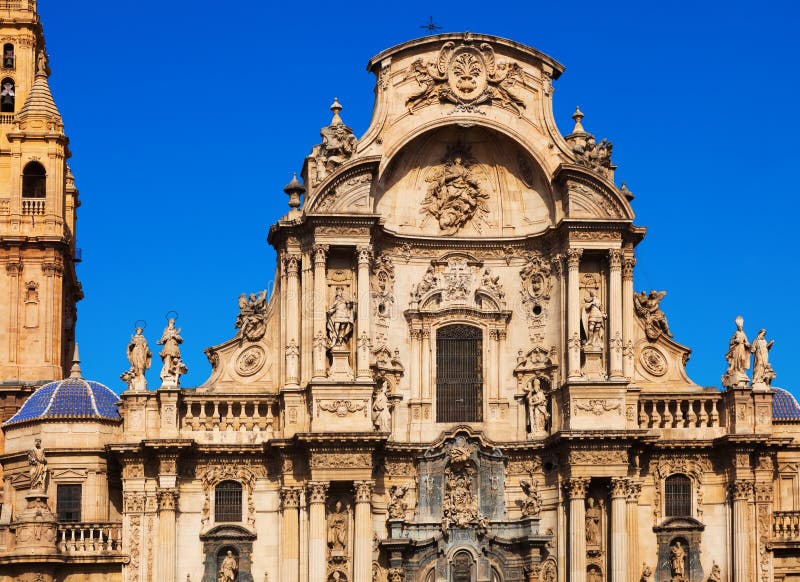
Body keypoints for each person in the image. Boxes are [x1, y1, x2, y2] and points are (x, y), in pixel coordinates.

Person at [157, 318, 183, 382]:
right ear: (168, 323)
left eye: (173, 323)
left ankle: (173, 373)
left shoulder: (175, 331)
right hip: (167, 347)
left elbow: (181, 340)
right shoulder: (166, 330)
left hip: (174, 347)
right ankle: (167, 372)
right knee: (167, 358)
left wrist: (174, 336)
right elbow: (162, 339)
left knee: (174, 360)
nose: (172, 324)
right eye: (171, 322)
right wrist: (164, 339)